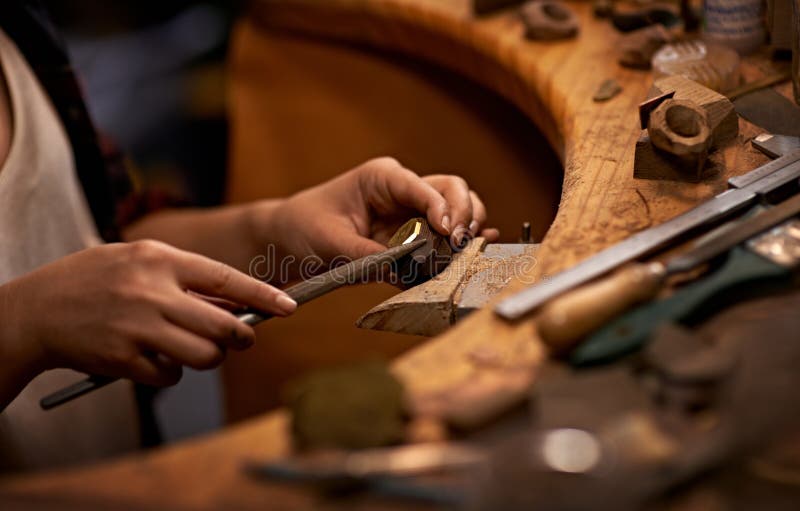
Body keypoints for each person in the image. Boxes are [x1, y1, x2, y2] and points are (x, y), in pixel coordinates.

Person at [0, 2, 499, 471]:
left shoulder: (20, 27)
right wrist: (25, 323)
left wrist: (272, 229)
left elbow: (101, 236)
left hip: (120, 467)